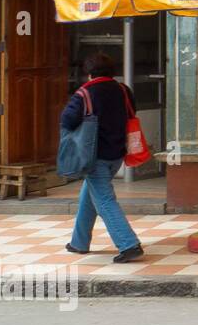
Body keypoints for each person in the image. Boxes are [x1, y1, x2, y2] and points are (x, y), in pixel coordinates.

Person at [60, 52, 143, 262]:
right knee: (89, 195)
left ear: (88, 74)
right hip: (117, 154)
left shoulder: (85, 93)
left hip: (94, 157)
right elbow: (132, 112)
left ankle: (129, 244)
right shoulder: (123, 90)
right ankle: (79, 243)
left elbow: (67, 120)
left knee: (105, 201)